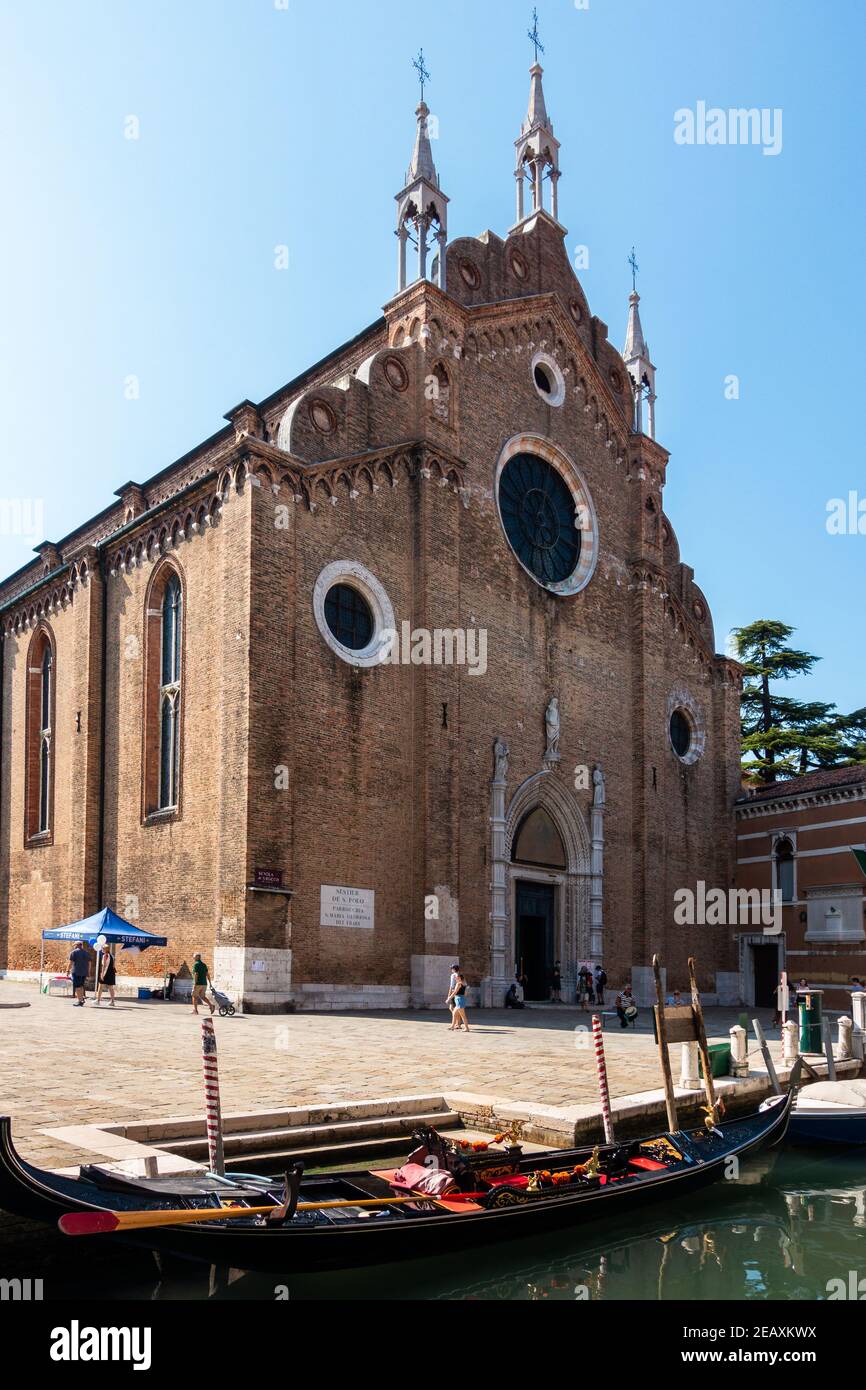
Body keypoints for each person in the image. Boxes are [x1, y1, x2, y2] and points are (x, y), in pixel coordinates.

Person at [68, 940, 90, 1007]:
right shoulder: (86, 953)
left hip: (76, 972)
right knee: (81, 985)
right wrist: (88, 971)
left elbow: (70, 963)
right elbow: (89, 963)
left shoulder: (73, 952)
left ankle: (80, 1001)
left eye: (74, 945)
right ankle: (82, 998)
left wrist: (67, 970)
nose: (74, 946)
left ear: (76, 945)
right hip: (84, 972)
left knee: (77, 987)